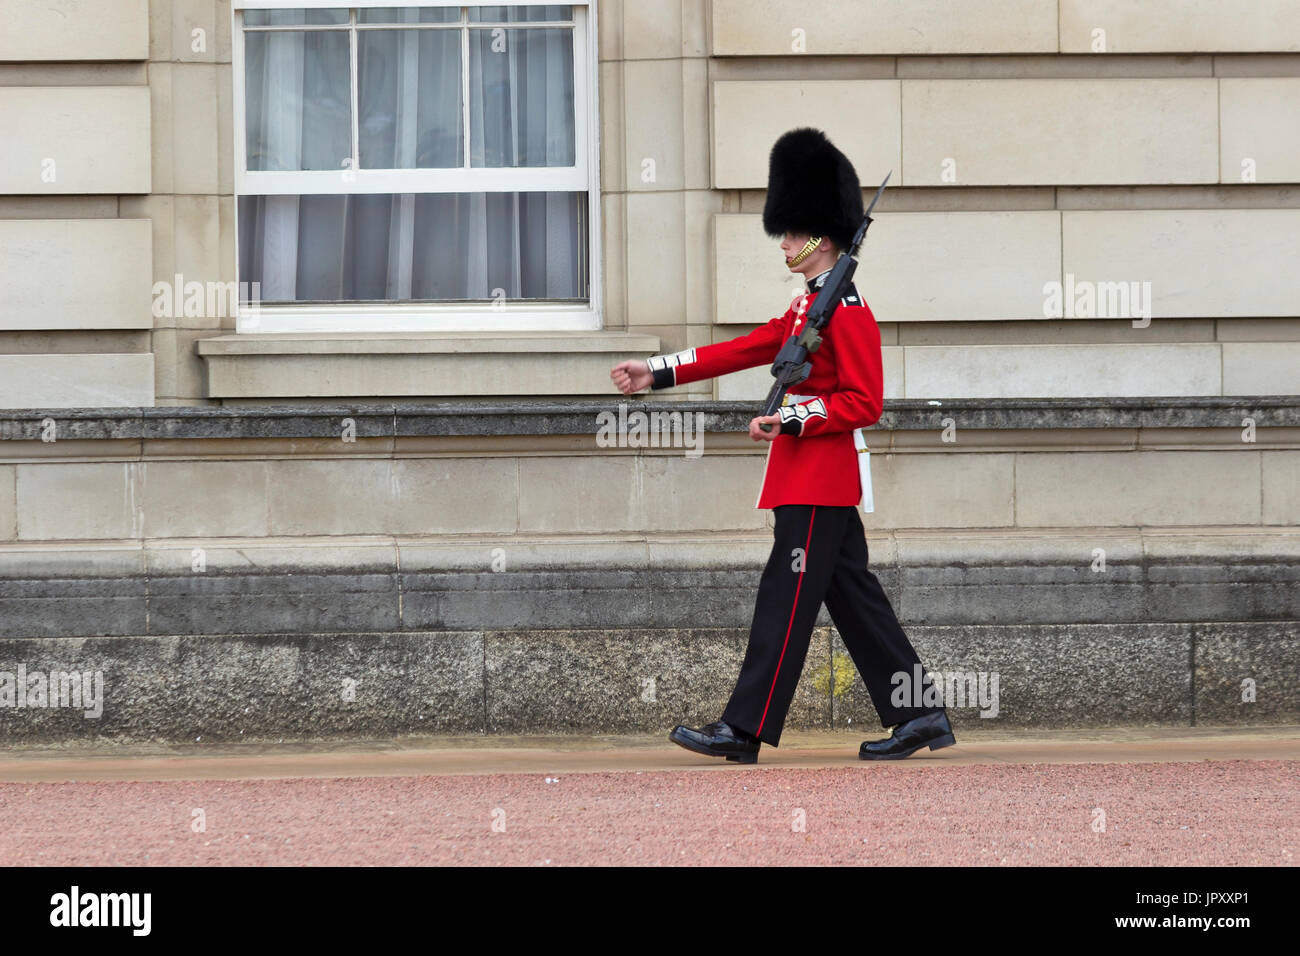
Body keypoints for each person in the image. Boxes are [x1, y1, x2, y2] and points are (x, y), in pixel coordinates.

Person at [610, 127, 954, 764]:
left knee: (785, 598)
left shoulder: (847, 312)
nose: (785, 241)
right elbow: (742, 348)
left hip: (819, 478)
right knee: (853, 595)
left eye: (793, 232)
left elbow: (864, 402)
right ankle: (919, 713)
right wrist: (658, 371)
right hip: (806, 479)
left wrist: (792, 421)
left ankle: (743, 729)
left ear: (823, 235)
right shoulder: (807, 310)